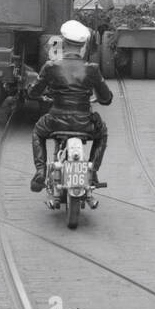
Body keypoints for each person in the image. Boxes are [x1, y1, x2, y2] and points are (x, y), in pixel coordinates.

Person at [26, 20, 113, 192]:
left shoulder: (51, 66)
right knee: (102, 133)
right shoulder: (92, 69)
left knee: (37, 132)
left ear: (63, 43)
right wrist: (101, 99)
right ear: (83, 47)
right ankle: (93, 171)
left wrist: (34, 93)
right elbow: (106, 98)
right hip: (85, 123)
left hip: (55, 121)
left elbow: (34, 92)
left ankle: (41, 172)